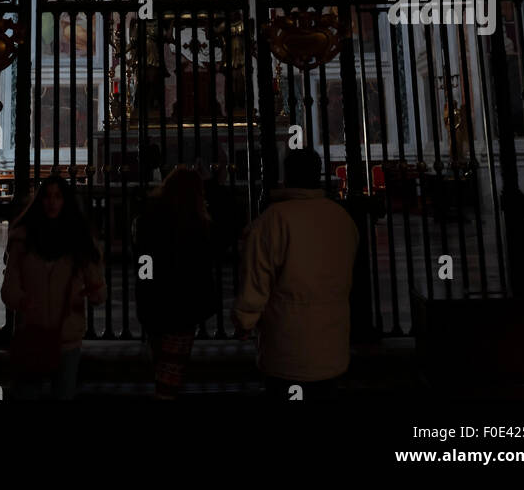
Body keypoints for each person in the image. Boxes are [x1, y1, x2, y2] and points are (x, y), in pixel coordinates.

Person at [232, 147, 359, 399]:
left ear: (286, 176)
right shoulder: (341, 218)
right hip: (332, 343)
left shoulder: (273, 220)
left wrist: (244, 321)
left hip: (287, 346)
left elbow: (256, 282)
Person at [2, 175, 105, 400]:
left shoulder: (79, 241)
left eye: (58, 196)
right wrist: (22, 300)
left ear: (65, 201)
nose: (52, 202)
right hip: (32, 333)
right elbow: (9, 287)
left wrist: (95, 292)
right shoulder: (23, 241)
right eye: (47, 196)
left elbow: (97, 287)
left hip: (66, 335)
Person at [133, 165, 217, 399]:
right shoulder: (196, 225)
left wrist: (145, 295)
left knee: (163, 367)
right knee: (170, 374)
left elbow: (144, 266)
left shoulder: (148, 221)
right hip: (183, 311)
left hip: (155, 306)